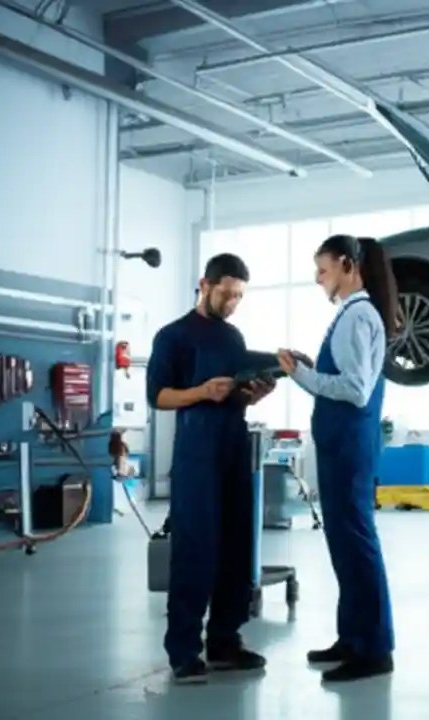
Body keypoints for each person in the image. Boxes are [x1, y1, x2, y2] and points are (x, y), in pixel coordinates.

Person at [146, 253, 277, 685]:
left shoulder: (233, 337)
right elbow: (159, 396)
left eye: (240, 296)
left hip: (233, 444)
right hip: (196, 449)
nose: (233, 302)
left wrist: (252, 394)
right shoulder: (173, 336)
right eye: (227, 293)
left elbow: (234, 391)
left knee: (236, 544)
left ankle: (224, 639)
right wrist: (201, 390)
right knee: (195, 547)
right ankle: (183, 650)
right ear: (205, 284)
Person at [278, 234, 399, 683]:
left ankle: (374, 648)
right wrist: (312, 369)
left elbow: (354, 389)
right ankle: (353, 637)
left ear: (348, 266)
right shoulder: (354, 315)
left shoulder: (357, 315)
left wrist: (302, 375)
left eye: (323, 269)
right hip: (343, 446)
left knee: (356, 544)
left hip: (348, 447)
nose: (317, 279)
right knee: (345, 546)